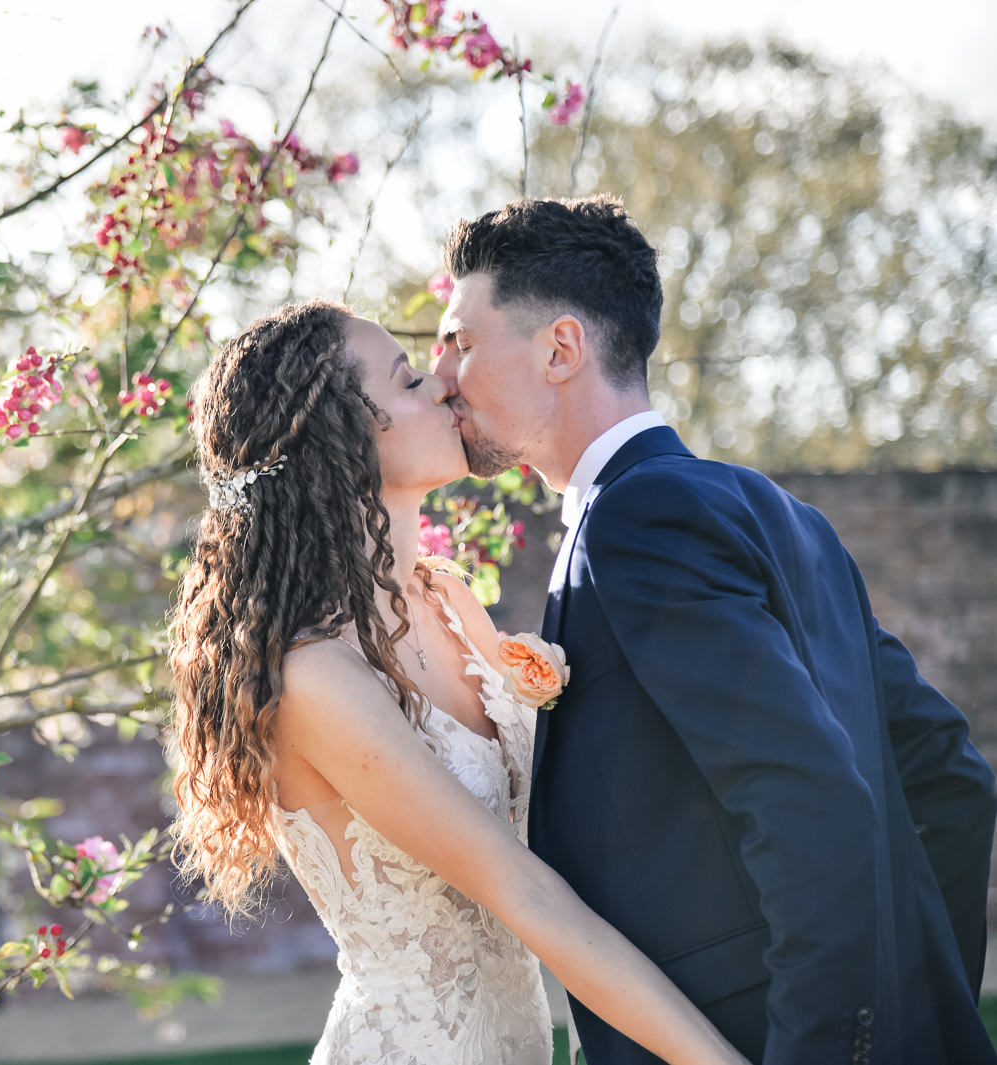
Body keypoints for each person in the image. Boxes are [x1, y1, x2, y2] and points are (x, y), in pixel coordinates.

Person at [432, 195, 997, 1064]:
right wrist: (917, 1009)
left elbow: (808, 796)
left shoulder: (637, 518)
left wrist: (827, 1047)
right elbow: (948, 777)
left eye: (460, 341)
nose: (441, 373)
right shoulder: (786, 516)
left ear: (560, 348)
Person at [166, 300, 749, 1065]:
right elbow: (524, 891)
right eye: (408, 380)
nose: (442, 385)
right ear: (340, 437)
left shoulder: (448, 598)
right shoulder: (314, 678)